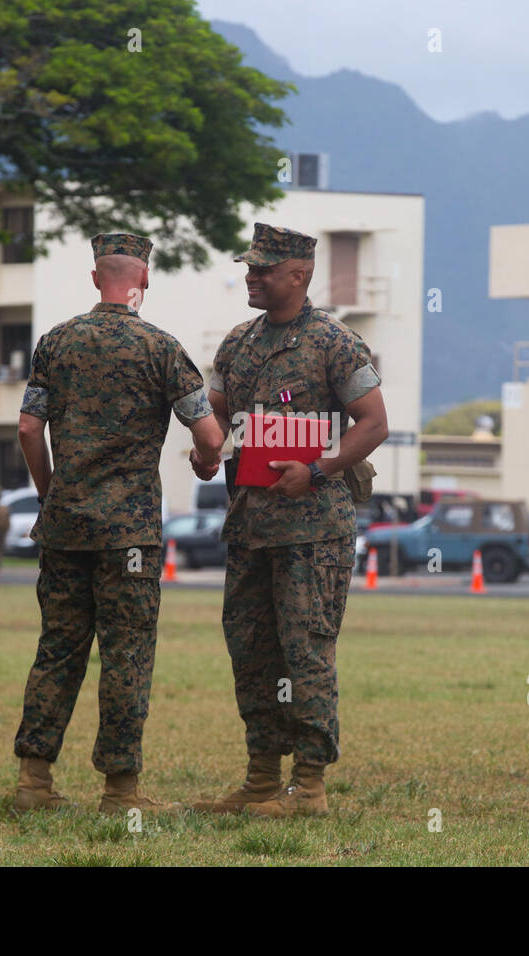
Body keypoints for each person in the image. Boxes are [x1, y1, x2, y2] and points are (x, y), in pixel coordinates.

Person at [11, 233, 223, 814]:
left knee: (58, 646)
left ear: (95, 279)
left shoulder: (56, 342)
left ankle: (33, 781)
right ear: (143, 282)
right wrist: (206, 463)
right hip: (128, 534)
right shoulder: (161, 348)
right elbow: (208, 436)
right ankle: (120, 791)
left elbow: (29, 429)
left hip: (65, 528)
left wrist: (52, 494)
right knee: (126, 652)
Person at [194, 223, 388, 818]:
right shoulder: (237, 343)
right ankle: (259, 778)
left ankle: (309, 787)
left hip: (313, 531)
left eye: (264, 269)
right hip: (251, 525)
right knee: (251, 651)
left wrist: (319, 469)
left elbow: (374, 424)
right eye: (249, 268)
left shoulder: (336, 342)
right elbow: (219, 417)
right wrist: (207, 452)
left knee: (306, 650)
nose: (251, 277)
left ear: (299, 275)